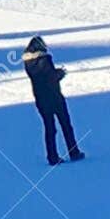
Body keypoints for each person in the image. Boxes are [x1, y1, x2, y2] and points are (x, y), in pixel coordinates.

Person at [22, 36, 82, 165]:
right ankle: (74, 152)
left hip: (41, 100)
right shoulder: (45, 59)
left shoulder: (27, 63)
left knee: (50, 128)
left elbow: (40, 78)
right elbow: (50, 77)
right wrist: (60, 73)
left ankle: (52, 156)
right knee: (66, 125)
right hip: (55, 97)